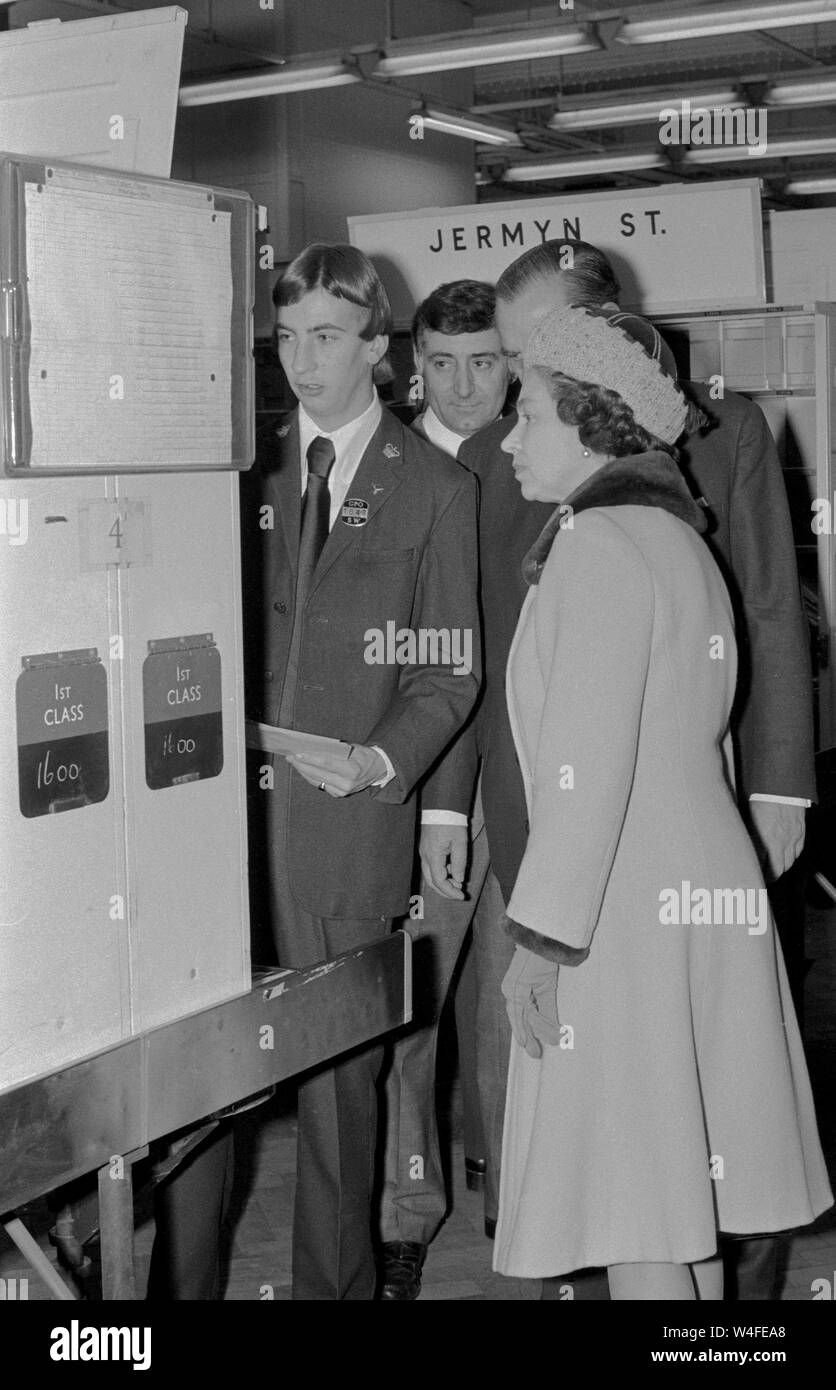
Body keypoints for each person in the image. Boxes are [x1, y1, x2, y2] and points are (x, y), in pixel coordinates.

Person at [429, 238, 816, 1296]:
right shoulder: (671, 534)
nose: (509, 432)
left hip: (617, 913)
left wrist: (538, 942)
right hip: (691, 889)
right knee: (680, 1201)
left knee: (633, 1204)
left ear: (593, 419)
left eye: (532, 412)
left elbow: (584, 774)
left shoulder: (595, 551)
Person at [239, 243, 480, 1302]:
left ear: (377, 349)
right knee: (229, 1085)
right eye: (288, 338)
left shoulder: (433, 486)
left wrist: (381, 761)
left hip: (347, 829)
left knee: (339, 1093)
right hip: (232, 828)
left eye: (326, 337)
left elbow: (447, 668)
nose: (302, 359)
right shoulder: (244, 466)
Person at [379, 280, 509, 1300]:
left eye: (484, 360)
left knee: (519, 1016)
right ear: (409, 365)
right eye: (440, 364)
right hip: (421, 789)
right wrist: (435, 801)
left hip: (537, 788)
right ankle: (403, 1216)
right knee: (408, 1026)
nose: (464, 386)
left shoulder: (547, 453)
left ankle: (524, 1210)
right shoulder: (385, 473)